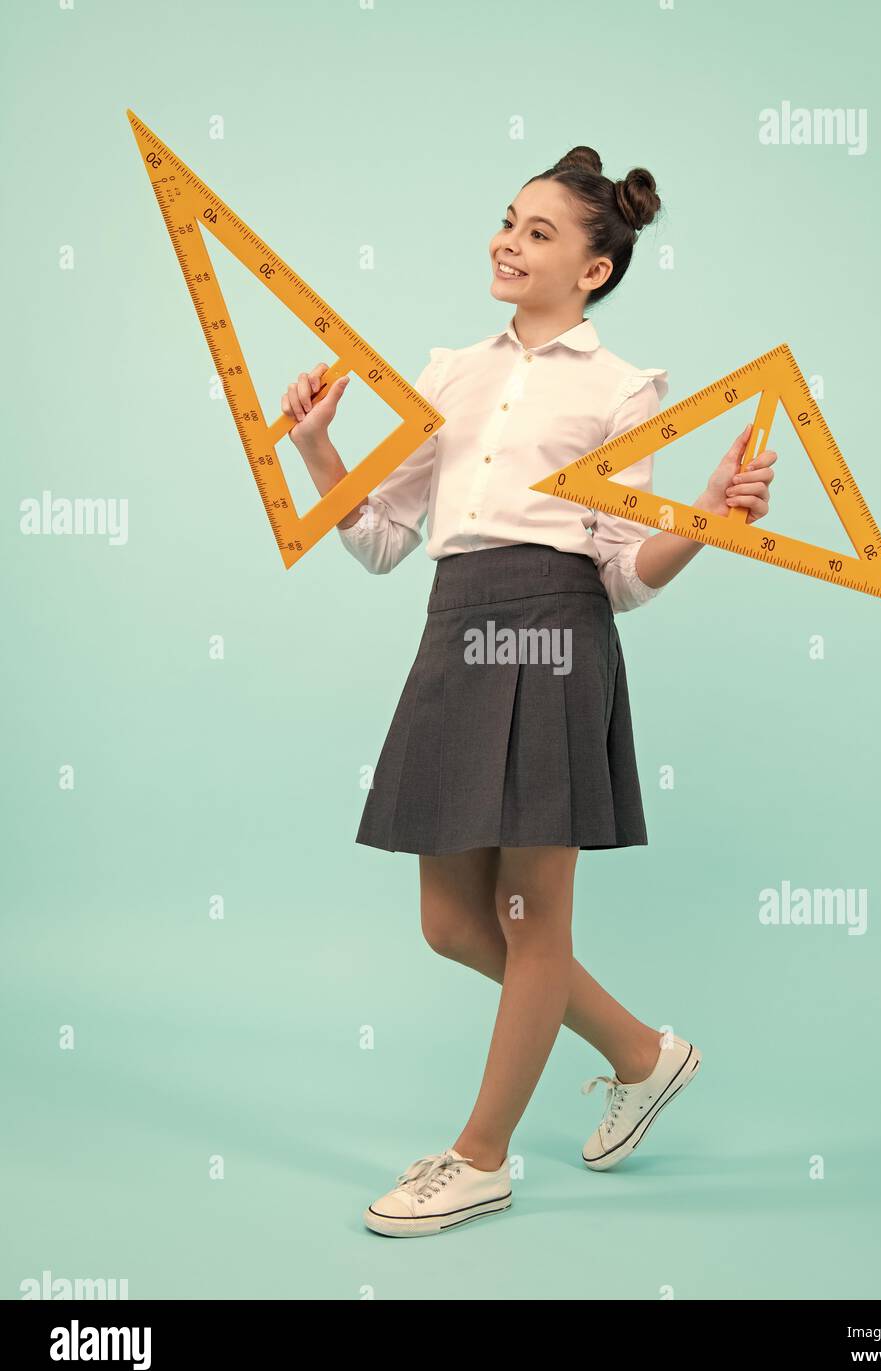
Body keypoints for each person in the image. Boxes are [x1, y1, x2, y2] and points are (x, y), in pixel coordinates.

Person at [281, 147, 775, 1238]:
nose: (507, 241)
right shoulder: (449, 371)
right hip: (454, 629)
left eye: (539, 232)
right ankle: (644, 1056)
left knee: (528, 915)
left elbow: (621, 577)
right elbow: (377, 543)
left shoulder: (620, 388)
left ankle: (480, 1158)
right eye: (508, 220)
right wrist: (320, 449)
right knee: (453, 921)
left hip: (555, 633)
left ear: (593, 271)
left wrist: (703, 522)